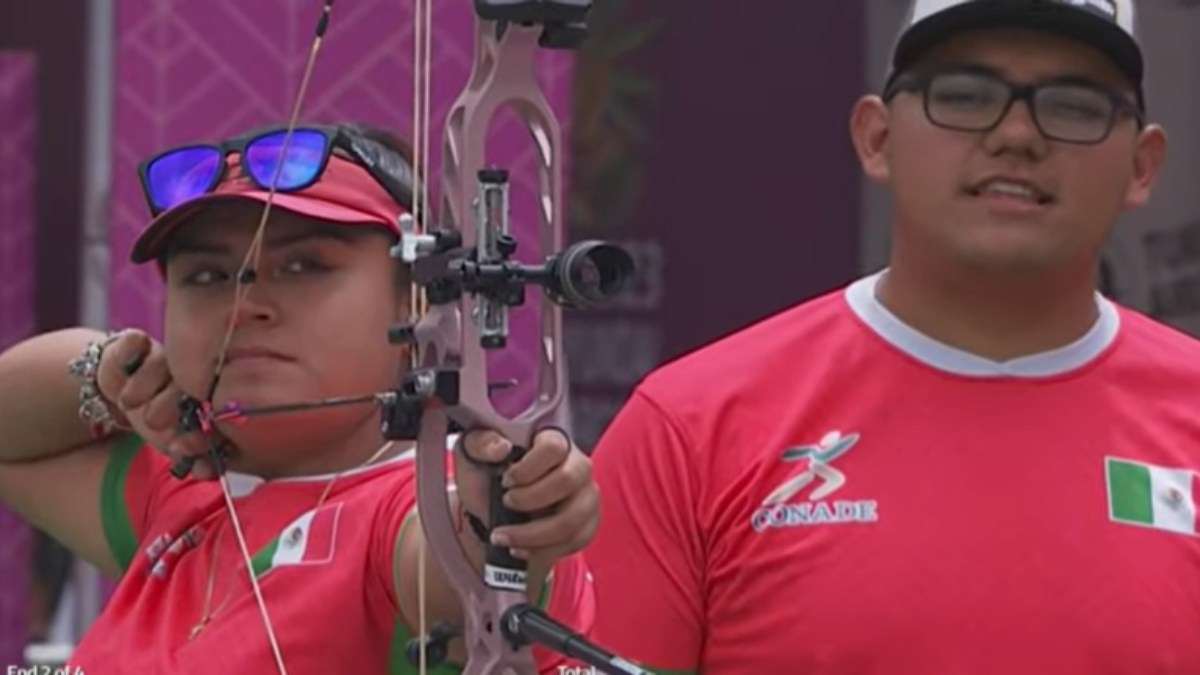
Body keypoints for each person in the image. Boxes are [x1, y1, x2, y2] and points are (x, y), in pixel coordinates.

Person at [586, 1, 1200, 673]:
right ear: (876, 138)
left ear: (1143, 166)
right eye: (964, 95)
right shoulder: (690, 429)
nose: (1018, 134)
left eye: (1076, 106)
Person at [0, 122, 600, 673]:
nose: (244, 305)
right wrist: (111, 377)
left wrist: (515, 517)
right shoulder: (184, 488)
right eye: (207, 277)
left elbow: (466, 579)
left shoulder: (416, 507)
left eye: (304, 266)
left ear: (418, 305)